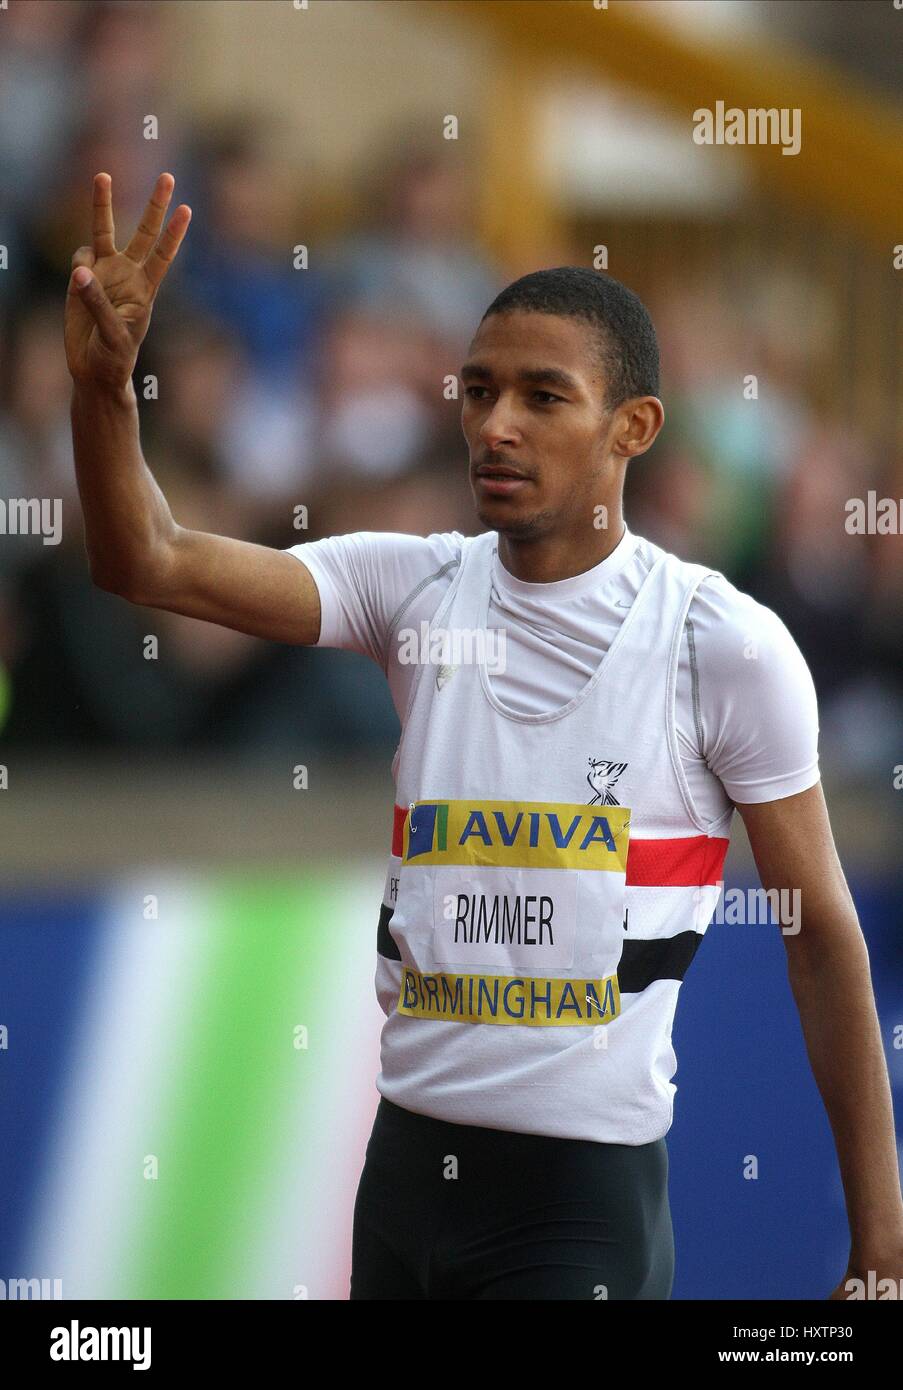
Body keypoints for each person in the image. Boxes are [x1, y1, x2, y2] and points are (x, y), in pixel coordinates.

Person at [66, 171, 903, 1301]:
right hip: (402, 1179)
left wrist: (882, 1248)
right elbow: (145, 559)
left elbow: (822, 942)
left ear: (634, 427)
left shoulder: (722, 644)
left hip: (579, 1212)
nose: (495, 424)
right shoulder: (408, 587)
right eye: (477, 389)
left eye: (543, 396)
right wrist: (106, 393)